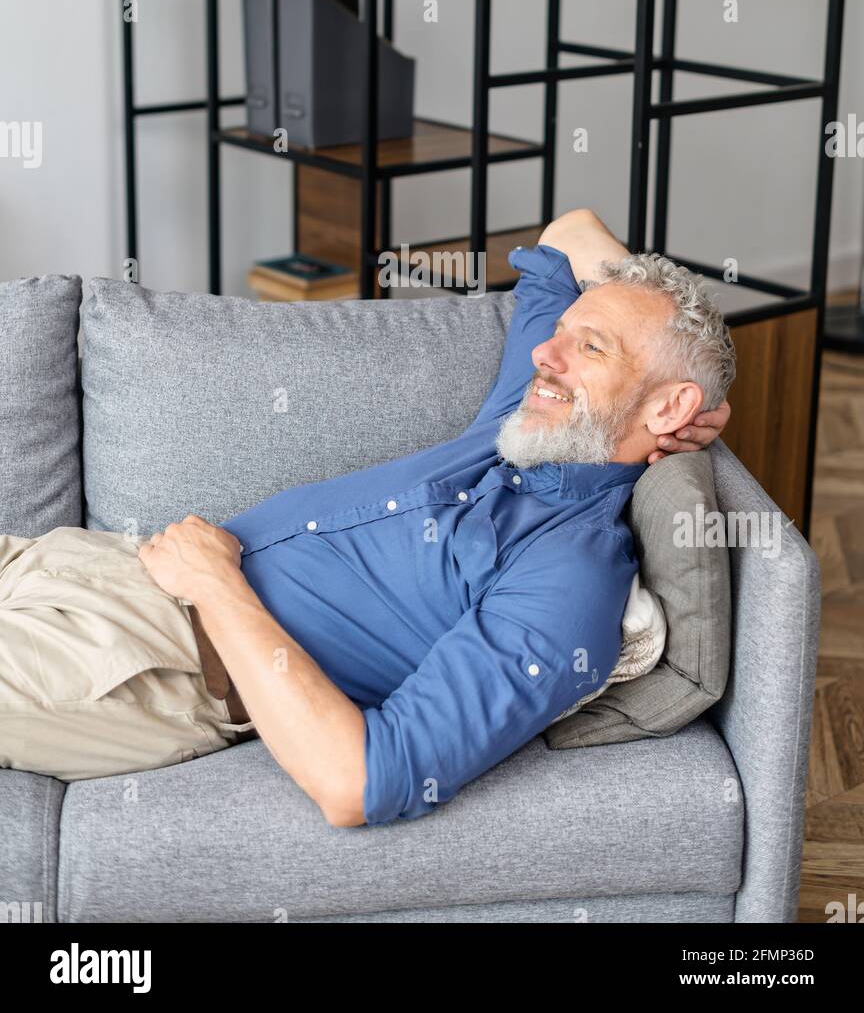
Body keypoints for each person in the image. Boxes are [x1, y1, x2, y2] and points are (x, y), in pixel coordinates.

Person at [0, 209, 734, 828]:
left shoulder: (567, 580)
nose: (546, 351)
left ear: (669, 406)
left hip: (156, 657)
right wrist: (690, 368)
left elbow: (359, 782)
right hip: (92, 562)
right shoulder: (527, 418)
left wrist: (214, 583)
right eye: (563, 330)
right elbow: (570, 232)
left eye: (591, 345)